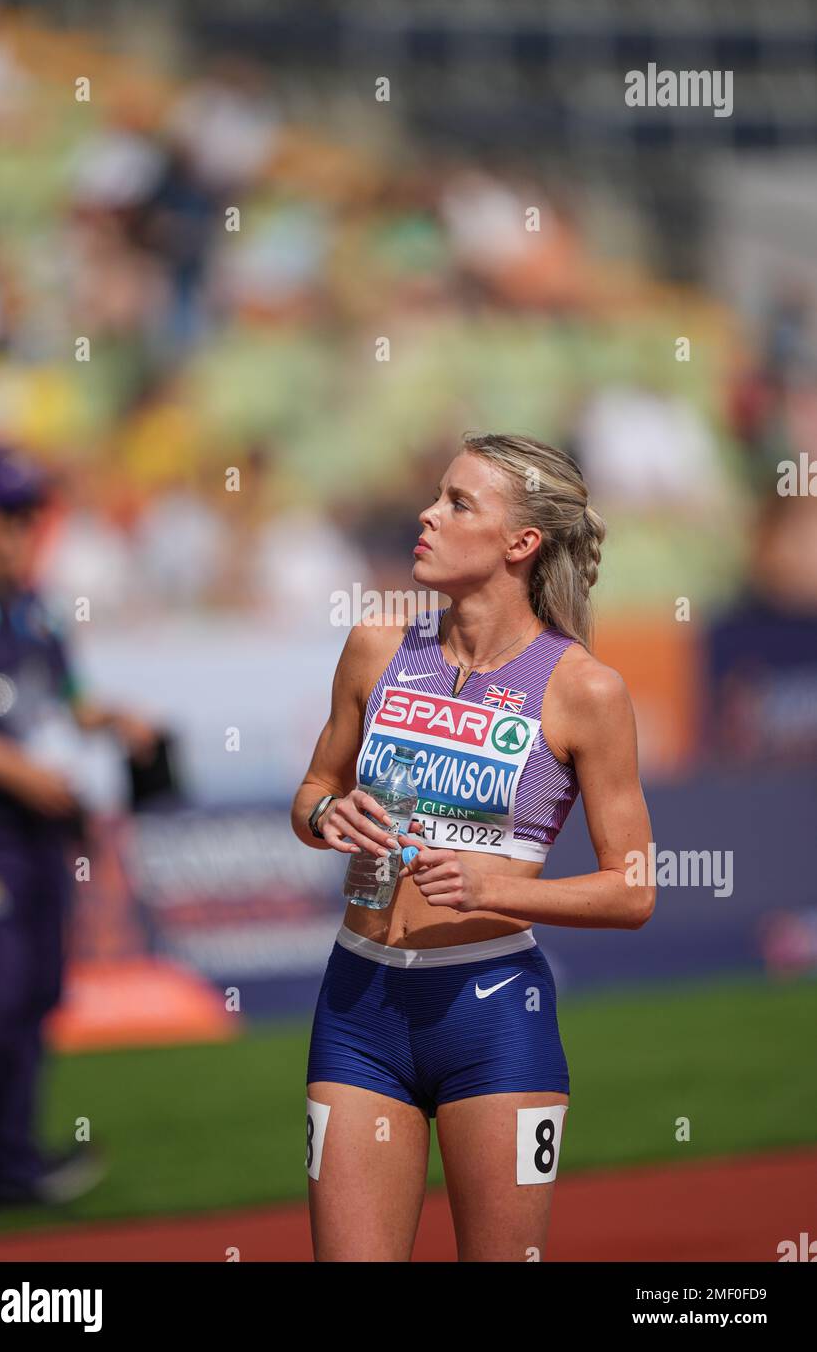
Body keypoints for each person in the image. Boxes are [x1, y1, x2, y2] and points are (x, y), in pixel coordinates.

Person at [292, 431, 654, 1262]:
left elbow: (632, 891)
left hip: (492, 1013)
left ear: (521, 543)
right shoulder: (378, 644)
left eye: (459, 503)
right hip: (357, 1006)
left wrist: (495, 890)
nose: (427, 514)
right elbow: (312, 793)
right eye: (437, 495)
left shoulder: (584, 689)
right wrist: (326, 818)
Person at [0, 448, 158, 1212]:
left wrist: (118, 720)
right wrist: (22, 774)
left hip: (38, 835)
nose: (28, 530)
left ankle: (8, 1167)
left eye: (33, 516)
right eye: (13, 515)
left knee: (35, 993)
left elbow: (67, 702)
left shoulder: (34, 608)